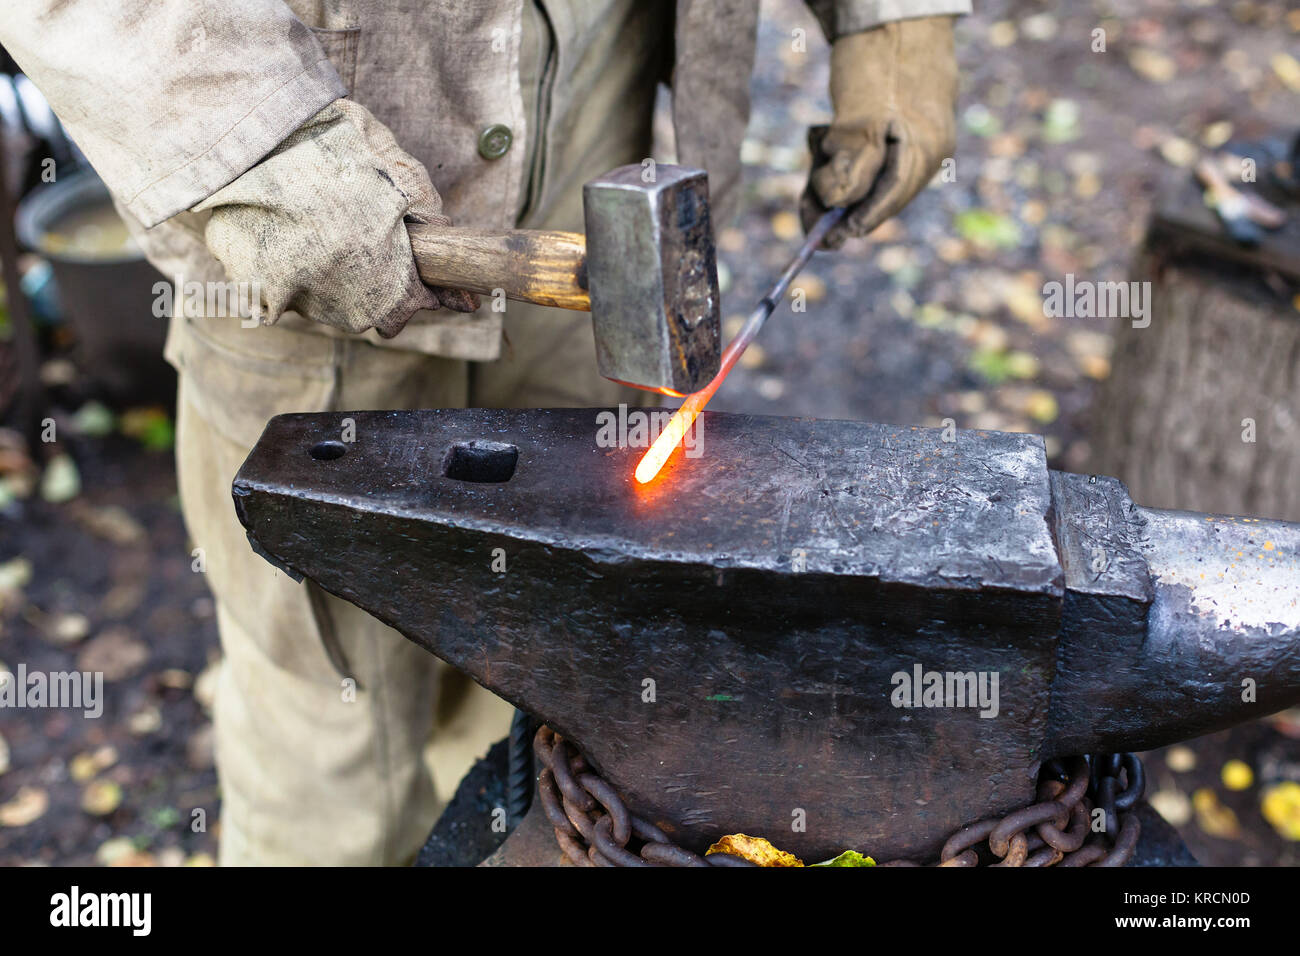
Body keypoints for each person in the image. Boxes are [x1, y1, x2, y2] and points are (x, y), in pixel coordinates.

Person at [1, 0, 967, 865]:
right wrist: (250, 145)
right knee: (331, 746)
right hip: (297, 225)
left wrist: (889, 17)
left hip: (592, 167)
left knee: (538, 701)